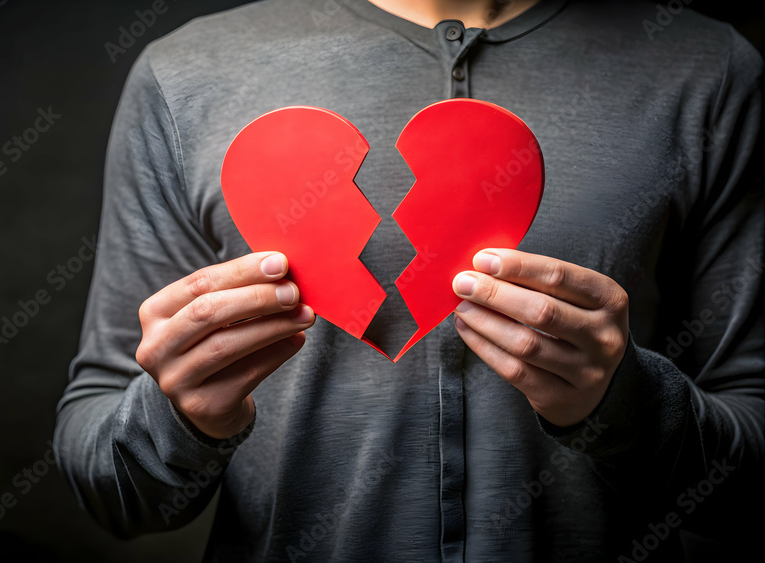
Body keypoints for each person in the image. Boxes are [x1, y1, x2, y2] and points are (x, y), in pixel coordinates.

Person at [54, 0, 764, 560]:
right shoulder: (187, 74)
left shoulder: (709, 70)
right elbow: (114, 493)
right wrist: (178, 418)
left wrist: (625, 405)